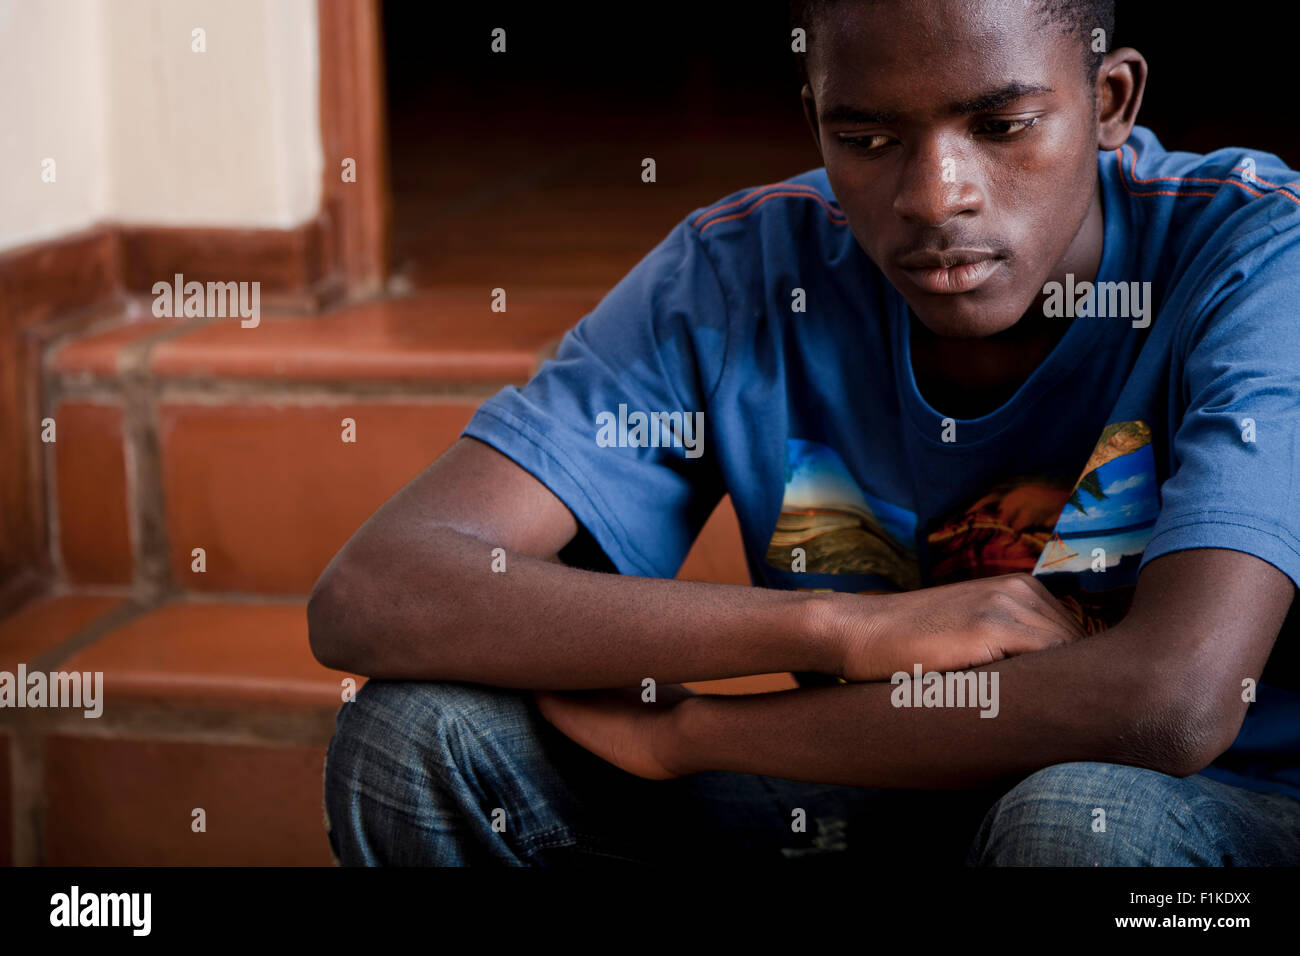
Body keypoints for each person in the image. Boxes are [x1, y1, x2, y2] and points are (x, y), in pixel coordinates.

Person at [309, 0, 1300, 865]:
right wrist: (839, 627)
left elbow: (1174, 699)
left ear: (1111, 102)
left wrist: (693, 731)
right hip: (867, 789)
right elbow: (377, 587)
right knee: (416, 736)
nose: (931, 194)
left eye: (1001, 124)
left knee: (1076, 818)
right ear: (816, 120)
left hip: (1213, 813)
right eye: (866, 138)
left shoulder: (1257, 251)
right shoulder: (740, 269)